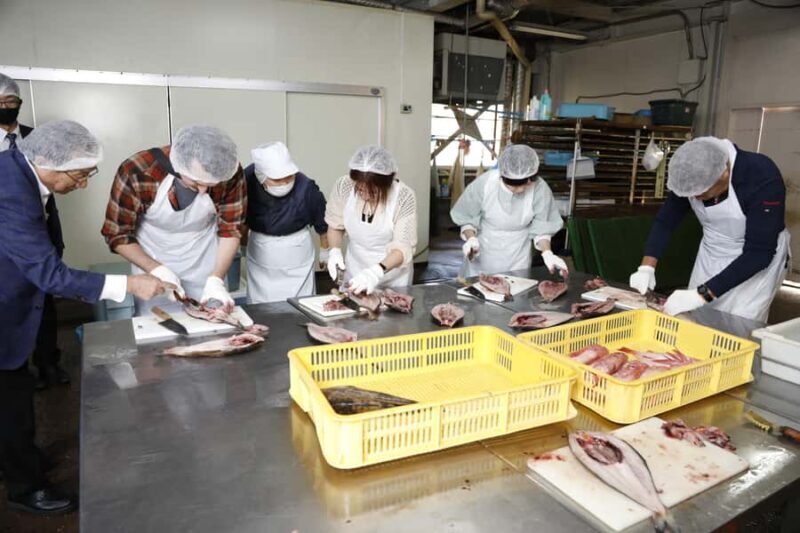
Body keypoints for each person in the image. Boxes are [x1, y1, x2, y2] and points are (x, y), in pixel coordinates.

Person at [0, 120, 168, 515]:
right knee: (11, 401)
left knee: (14, 395)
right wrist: (130, 285)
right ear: (51, 165)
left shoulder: (20, 171)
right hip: (4, 305)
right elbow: (49, 274)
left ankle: (17, 457)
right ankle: (25, 488)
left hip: (14, 296)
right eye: (80, 174)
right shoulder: (9, 191)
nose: (84, 183)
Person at [629, 137, 790, 322]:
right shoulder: (693, 168)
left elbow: (759, 253)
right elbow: (666, 221)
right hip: (712, 250)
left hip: (755, 261)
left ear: (725, 173)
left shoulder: (760, 175)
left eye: (703, 194)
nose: (696, 199)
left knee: (737, 324)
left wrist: (701, 295)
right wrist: (647, 267)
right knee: (694, 320)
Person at [101, 125, 247, 315]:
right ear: (179, 166)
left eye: (210, 185)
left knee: (213, 324)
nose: (203, 190)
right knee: (158, 326)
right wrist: (156, 269)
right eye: (196, 182)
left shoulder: (228, 171)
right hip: (151, 258)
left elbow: (231, 229)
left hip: (205, 260)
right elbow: (117, 234)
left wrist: (216, 279)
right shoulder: (138, 170)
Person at [0, 73, 66, 389]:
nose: (5, 107)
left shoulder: (35, 139)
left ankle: (48, 363)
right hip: (8, 238)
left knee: (45, 299)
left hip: (43, 229)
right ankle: (17, 369)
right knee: (13, 302)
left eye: (10, 102)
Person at [450, 144, 567, 278]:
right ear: (502, 176)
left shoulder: (540, 189)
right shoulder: (485, 184)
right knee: (479, 290)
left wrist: (547, 253)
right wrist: (471, 239)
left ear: (531, 178)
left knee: (516, 292)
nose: (519, 191)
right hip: (484, 250)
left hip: (518, 255)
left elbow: (543, 228)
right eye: (511, 186)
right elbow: (466, 217)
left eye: (523, 185)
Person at [325, 145, 417, 294]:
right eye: (360, 190)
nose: (366, 196)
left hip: (392, 276)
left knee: (390, 314)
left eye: (374, 192)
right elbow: (335, 225)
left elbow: (403, 247)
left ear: (387, 184)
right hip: (355, 270)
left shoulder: (403, 197)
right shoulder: (344, 186)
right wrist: (334, 251)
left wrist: (375, 272)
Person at [244, 142, 328, 303]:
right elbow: (240, 218)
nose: (284, 183)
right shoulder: (247, 181)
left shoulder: (306, 187)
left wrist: (326, 251)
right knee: (262, 310)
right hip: (261, 254)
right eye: (277, 179)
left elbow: (323, 223)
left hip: (297, 253)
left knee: (301, 306)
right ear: (261, 177)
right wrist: (240, 246)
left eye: (288, 177)